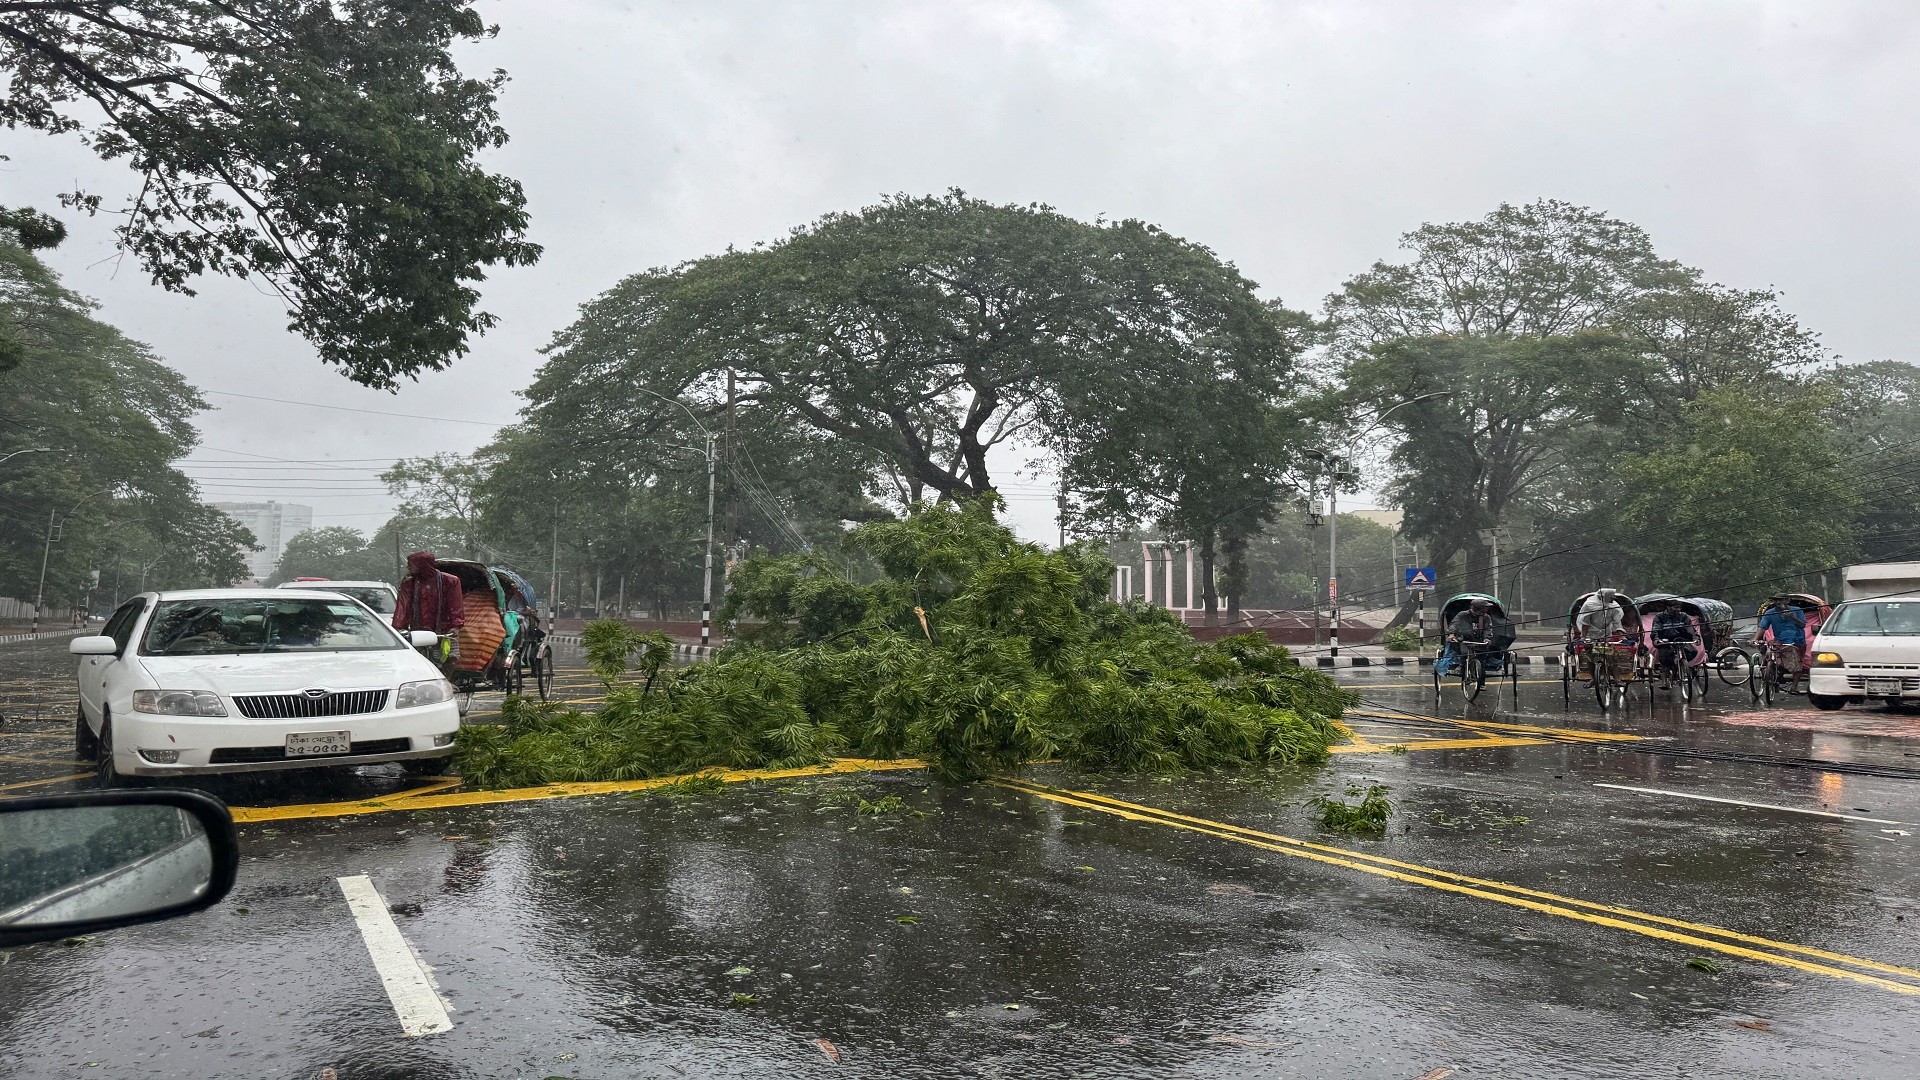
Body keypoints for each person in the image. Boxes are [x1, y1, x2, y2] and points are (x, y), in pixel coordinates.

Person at [393, 551, 465, 640]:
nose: (408, 567)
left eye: (411, 565)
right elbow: (403, 608)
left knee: (449, 649)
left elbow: (455, 605)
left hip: (445, 632)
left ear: (421, 565)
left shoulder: (450, 581)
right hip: (418, 634)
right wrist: (398, 628)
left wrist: (456, 626)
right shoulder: (409, 584)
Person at [1759, 596, 1808, 671]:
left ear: (1788, 601)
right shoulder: (1770, 613)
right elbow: (1762, 627)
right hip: (1779, 641)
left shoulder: (1797, 610)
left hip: (1797, 640)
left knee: (1796, 666)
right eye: (1776, 600)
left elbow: (1803, 625)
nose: (1778, 602)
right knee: (1770, 652)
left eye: (1781, 600)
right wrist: (1755, 638)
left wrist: (1793, 617)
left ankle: (1796, 677)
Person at [1650, 600, 1698, 675]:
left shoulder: (1683, 616)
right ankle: (1666, 673)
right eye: (1675, 607)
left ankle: (1683, 665)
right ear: (1668, 607)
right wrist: (1657, 640)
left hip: (1681, 640)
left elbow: (1690, 629)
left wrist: (1695, 638)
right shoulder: (1660, 617)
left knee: (1693, 651)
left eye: (1679, 608)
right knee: (1664, 658)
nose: (1678, 609)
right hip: (1666, 642)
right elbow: (1655, 630)